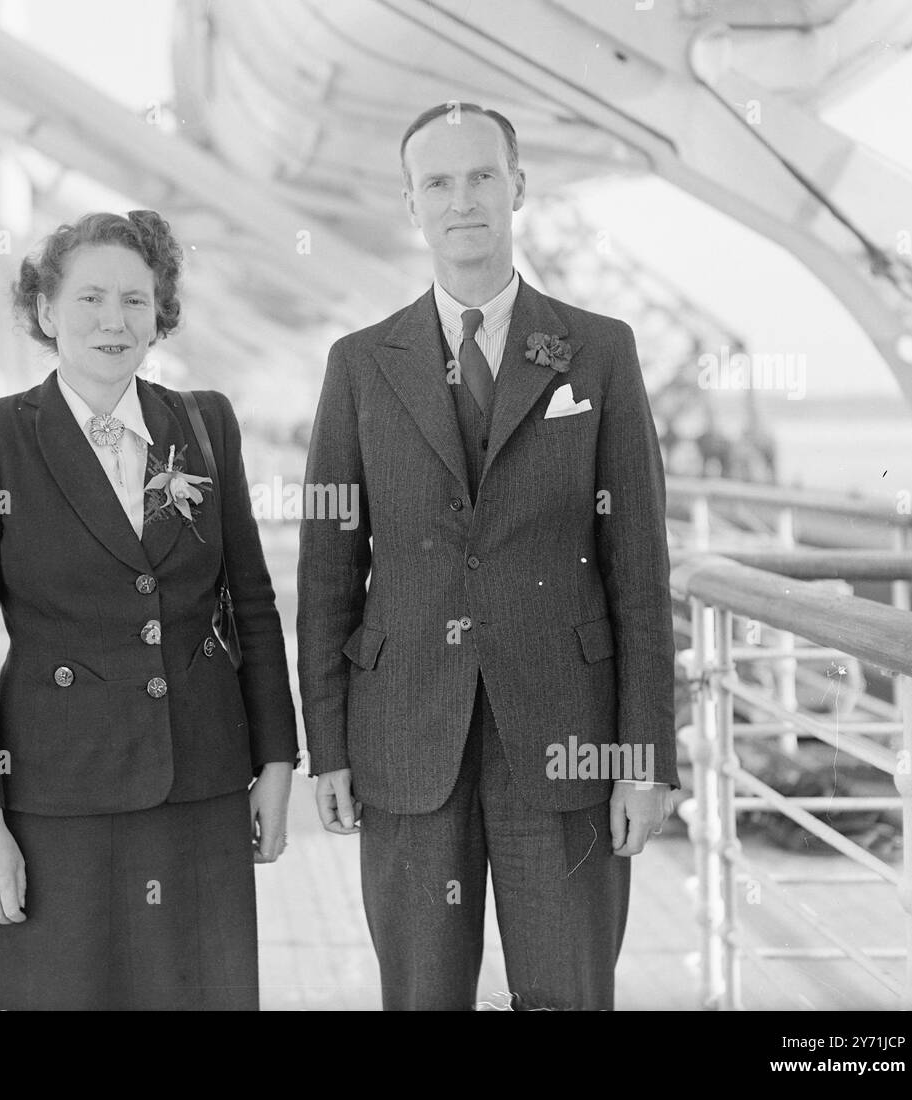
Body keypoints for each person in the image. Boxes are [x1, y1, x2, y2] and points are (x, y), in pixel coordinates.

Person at [297, 103, 678, 1011]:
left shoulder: (599, 351)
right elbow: (325, 575)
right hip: (403, 737)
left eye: (480, 177)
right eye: (437, 183)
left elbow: (639, 572)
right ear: (411, 204)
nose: (460, 199)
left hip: (569, 739)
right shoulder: (359, 364)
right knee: (422, 995)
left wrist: (645, 759)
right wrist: (329, 749)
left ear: (518, 187)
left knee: (567, 994)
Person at [0, 210, 297, 1010]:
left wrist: (277, 760)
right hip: (54, 797)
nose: (114, 320)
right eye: (91, 297)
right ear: (45, 311)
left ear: (160, 314)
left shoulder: (205, 424)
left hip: (198, 786)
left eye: (136, 300)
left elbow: (254, 604)